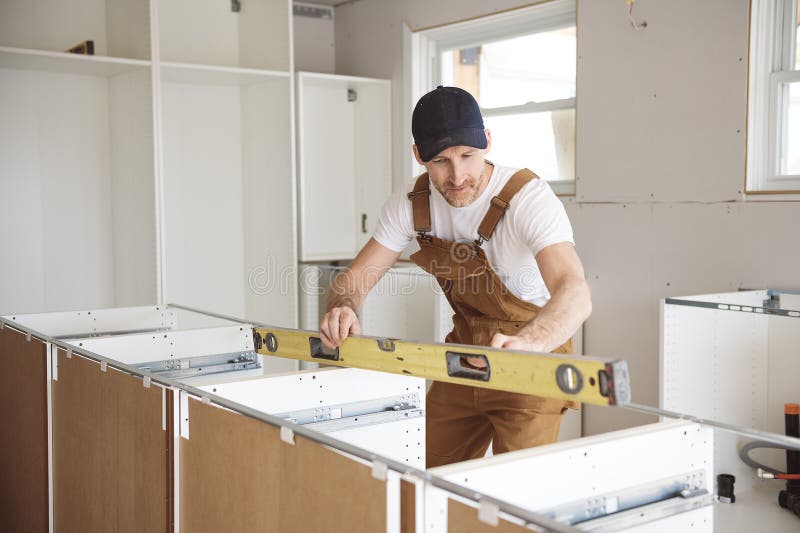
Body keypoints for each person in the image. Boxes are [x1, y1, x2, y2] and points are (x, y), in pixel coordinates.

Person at [319, 85, 591, 467]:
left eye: (468, 155)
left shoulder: (527, 197)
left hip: (532, 355)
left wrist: (532, 342)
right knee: (426, 476)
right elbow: (354, 279)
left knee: (518, 494)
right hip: (463, 356)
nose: (458, 175)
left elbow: (575, 291)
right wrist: (343, 307)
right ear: (419, 156)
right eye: (440, 162)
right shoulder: (411, 202)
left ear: (487, 143)